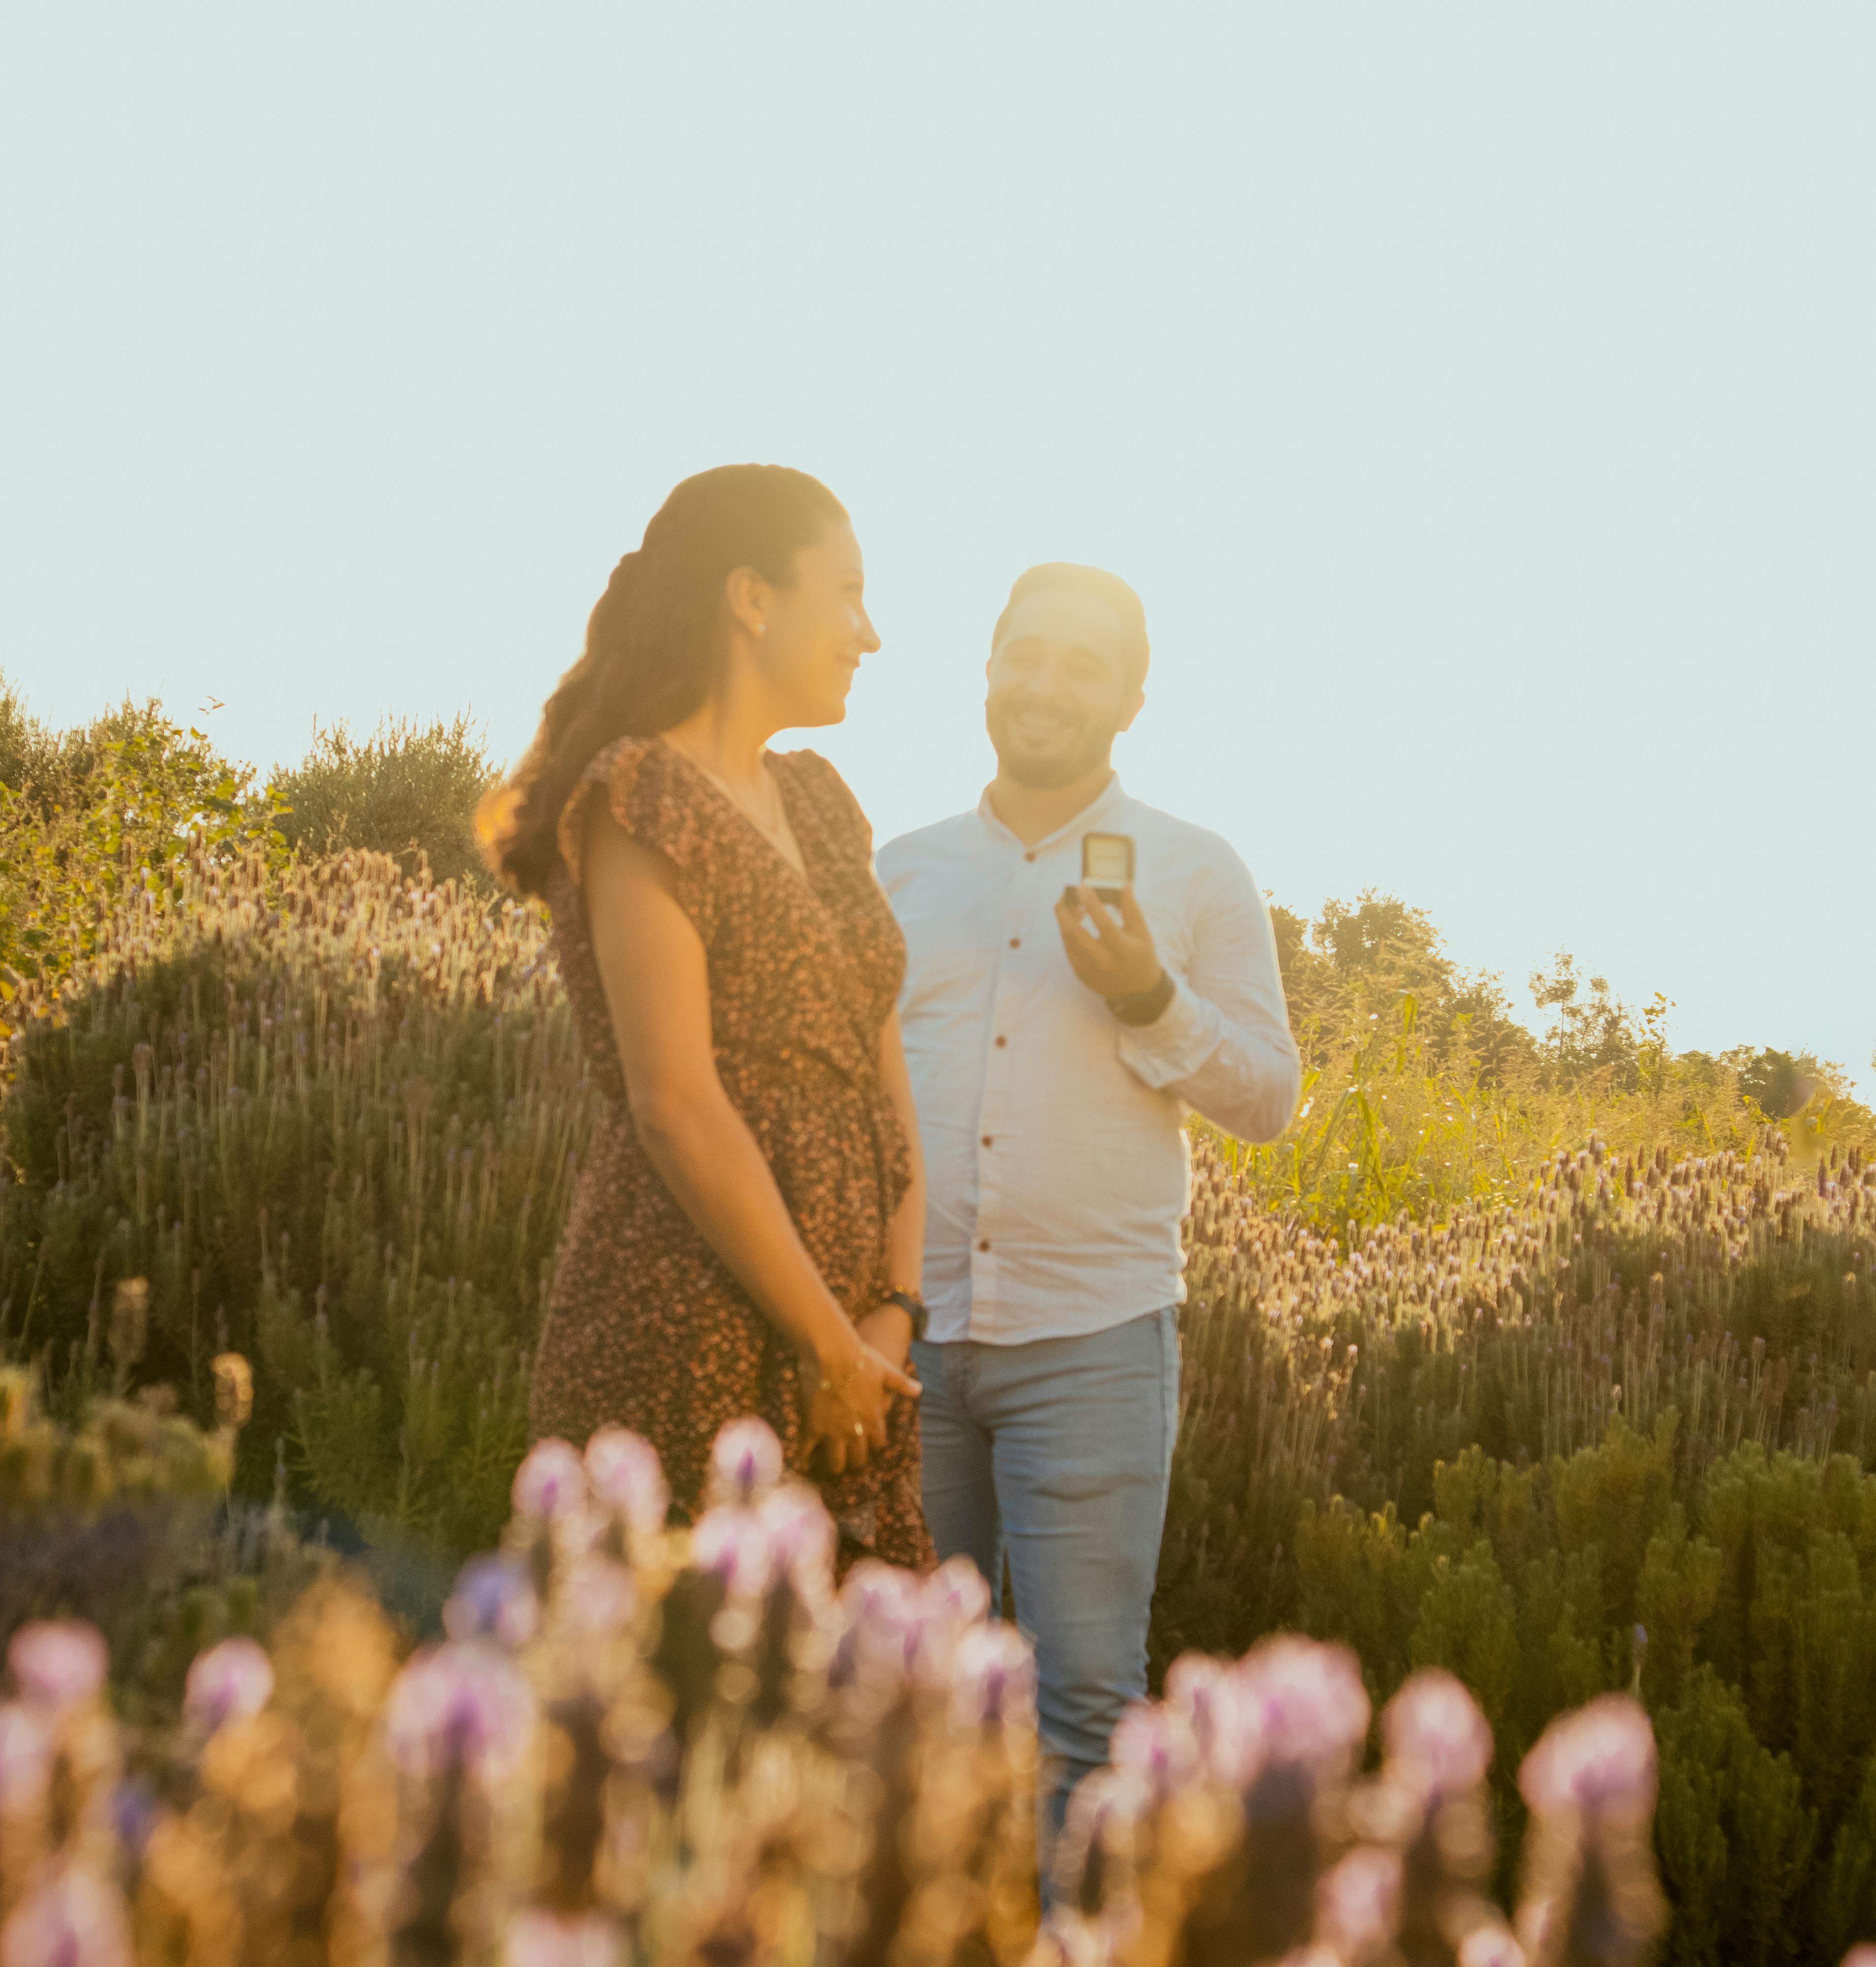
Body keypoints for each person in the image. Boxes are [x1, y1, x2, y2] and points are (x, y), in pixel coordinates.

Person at [875, 561, 1301, 1838]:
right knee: (919, 1714)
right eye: (1026, 653)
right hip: (910, 1340)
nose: (1045, 683)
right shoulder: (900, 872)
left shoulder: (1196, 870)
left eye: (1081, 663)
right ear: (990, 666)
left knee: (1087, 1717)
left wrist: (1148, 998)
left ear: (1132, 699)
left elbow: (1271, 1099)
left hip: (1096, 1348)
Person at [479, 463, 932, 1563]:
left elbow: (886, 1083)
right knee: (680, 1695)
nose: (869, 633)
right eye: (849, 592)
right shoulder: (642, 793)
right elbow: (675, 1101)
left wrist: (892, 1315)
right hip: (690, 1318)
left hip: (856, 1350)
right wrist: (827, 1342)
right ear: (752, 597)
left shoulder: (824, 804)